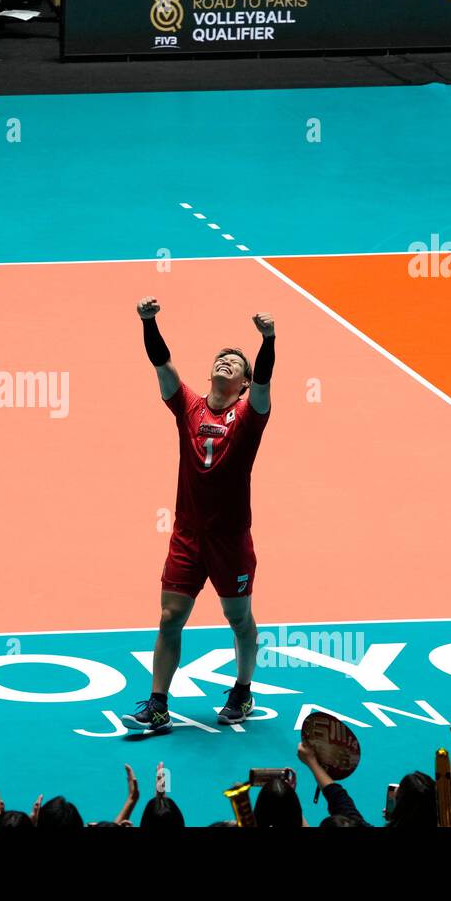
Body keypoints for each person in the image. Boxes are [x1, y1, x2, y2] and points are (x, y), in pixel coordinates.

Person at [123, 298, 275, 736]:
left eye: (237, 364)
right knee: (170, 616)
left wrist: (267, 340)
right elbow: (162, 363)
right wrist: (149, 322)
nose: (228, 362)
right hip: (188, 535)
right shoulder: (188, 406)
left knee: (238, 618)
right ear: (211, 373)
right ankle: (157, 705)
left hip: (230, 540)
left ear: (243, 384)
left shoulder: (249, 415)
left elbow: (266, 379)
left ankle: (242, 690)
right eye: (222, 359)